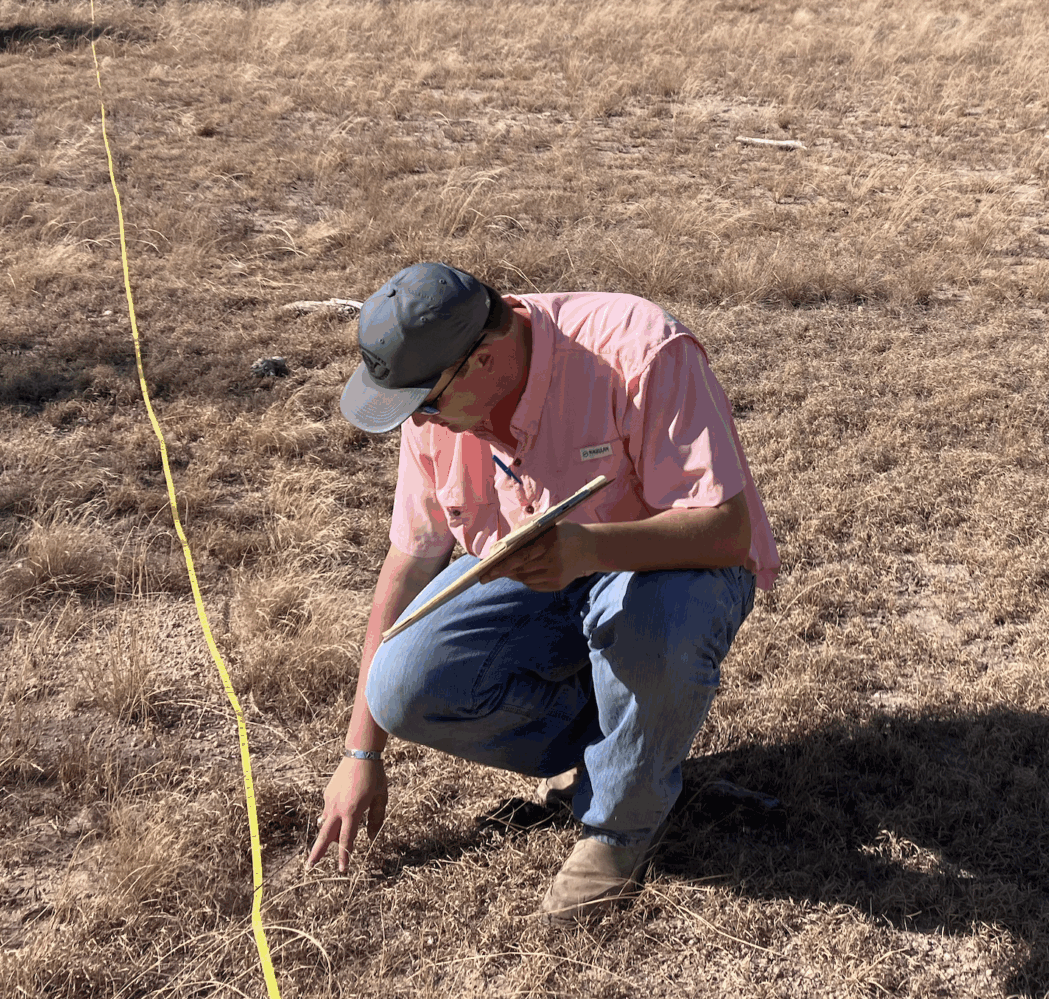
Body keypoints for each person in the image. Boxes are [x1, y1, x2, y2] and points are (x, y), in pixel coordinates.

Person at [308, 261, 780, 920]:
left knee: (653, 622)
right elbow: (408, 567)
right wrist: (360, 752)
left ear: (486, 358)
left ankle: (621, 825)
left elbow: (727, 532)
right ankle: (617, 753)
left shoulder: (640, 350)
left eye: (429, 401)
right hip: (543, 572)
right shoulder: (434, 417)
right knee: (401, 680)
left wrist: (587, 549)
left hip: (673, 566)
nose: (422, 422)